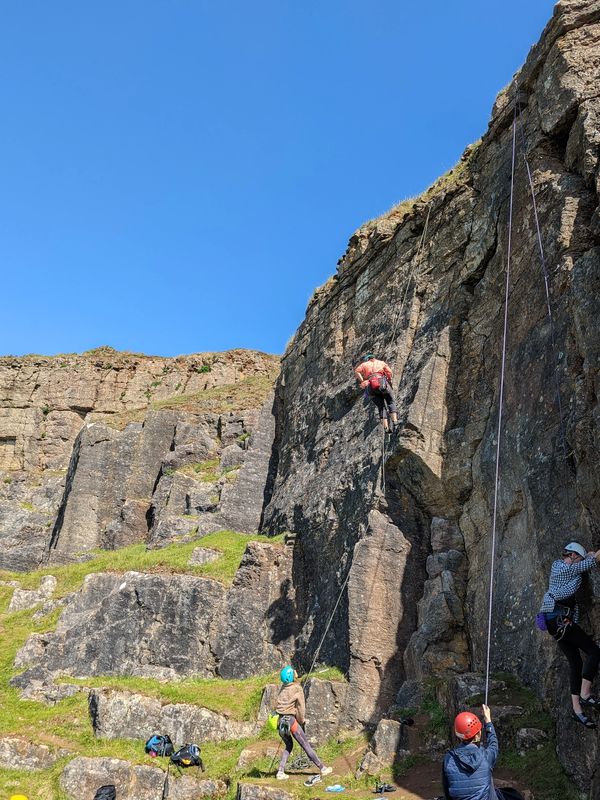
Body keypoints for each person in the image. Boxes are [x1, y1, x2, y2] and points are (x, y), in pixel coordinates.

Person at [540, 541, 600, 728]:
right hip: (560, 620)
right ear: (573, 556)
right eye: (579, 558)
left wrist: (588, 555)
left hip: (557, 622)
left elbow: (588, 559)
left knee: (576, 663)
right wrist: (590, 557)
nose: (581, 562)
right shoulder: (562, 567)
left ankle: (577, 711)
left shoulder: (569, 569)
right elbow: (591, 562)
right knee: (594, 652)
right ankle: (585, 695)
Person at [442, 705, 523, 800]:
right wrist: (488, 720)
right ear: (478, 734)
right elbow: (493, 744)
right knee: (512, 794)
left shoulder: (448, 759)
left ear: (459, 736)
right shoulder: (486, 756)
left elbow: (447, 791)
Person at [274, 665, 332, 781]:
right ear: (291, 676)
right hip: (290, 721)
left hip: (280, 721)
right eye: (293, 672)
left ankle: (280, 772)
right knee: (305, 744)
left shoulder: (283, 687)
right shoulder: (297, 688)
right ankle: (322, 768)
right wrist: (301, 720)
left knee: (289, 745)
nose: (296, 673)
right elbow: (301, 708)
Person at [354, 353, 398, 433]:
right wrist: (389, 380)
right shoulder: (381, 363)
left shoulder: (364, 364)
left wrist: (362, 380)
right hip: (382, 383)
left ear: (367, 359)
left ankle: (386, 428)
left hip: (371, 386)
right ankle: (395, 422)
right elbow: (389, 372)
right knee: (390, 401)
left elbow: (357, 371)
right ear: (374, 358)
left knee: (381, 407)